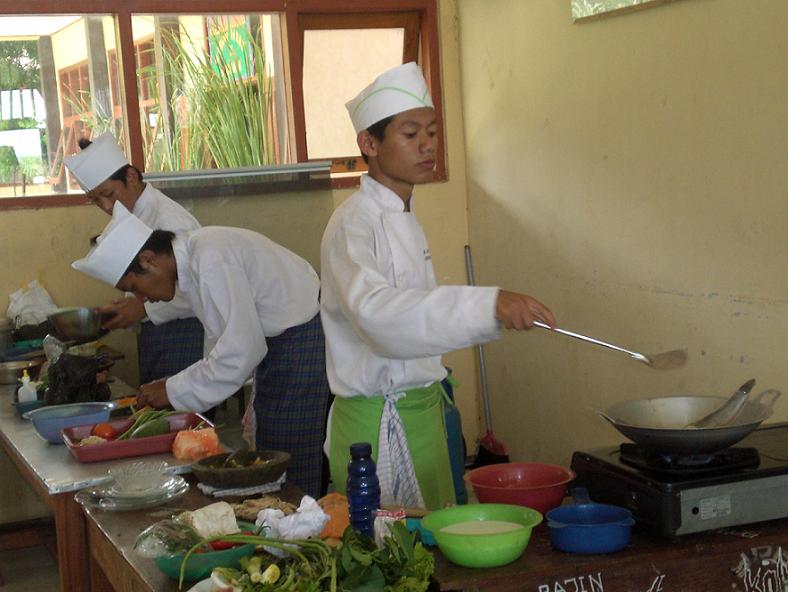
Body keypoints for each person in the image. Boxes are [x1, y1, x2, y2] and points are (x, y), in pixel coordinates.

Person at [320, 62, 557, 510]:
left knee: (433, 556)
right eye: (410, 134)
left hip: (423, 414)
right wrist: (487, 306)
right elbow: (378, 317)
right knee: (387, 564)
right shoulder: (352, 225)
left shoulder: (405, 214)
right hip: (377, 426)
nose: (427, 145)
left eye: (431, 132)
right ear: (369, 143)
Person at [72, 202, 331, 497]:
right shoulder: (193, 260)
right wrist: (182, 394)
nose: (142, 298)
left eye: (137, 287)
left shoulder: (209, 256)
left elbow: (239, 350)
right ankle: (287, 521)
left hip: (303, 337)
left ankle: (304, 526)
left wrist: (171, 389)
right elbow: (221, 343)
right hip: (282, 340)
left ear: (149, 260)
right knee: (273, 442)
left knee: (288, 448)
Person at [64, 132, 204, 385]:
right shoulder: (128, 216)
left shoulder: (171, 220)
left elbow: (197, 289)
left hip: (184, 333)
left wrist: (143, 307)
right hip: (154, 333)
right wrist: (121, 308)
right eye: (95, 200)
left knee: (181, 414)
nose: (106, 206)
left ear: (130, 176)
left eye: (108, 194)